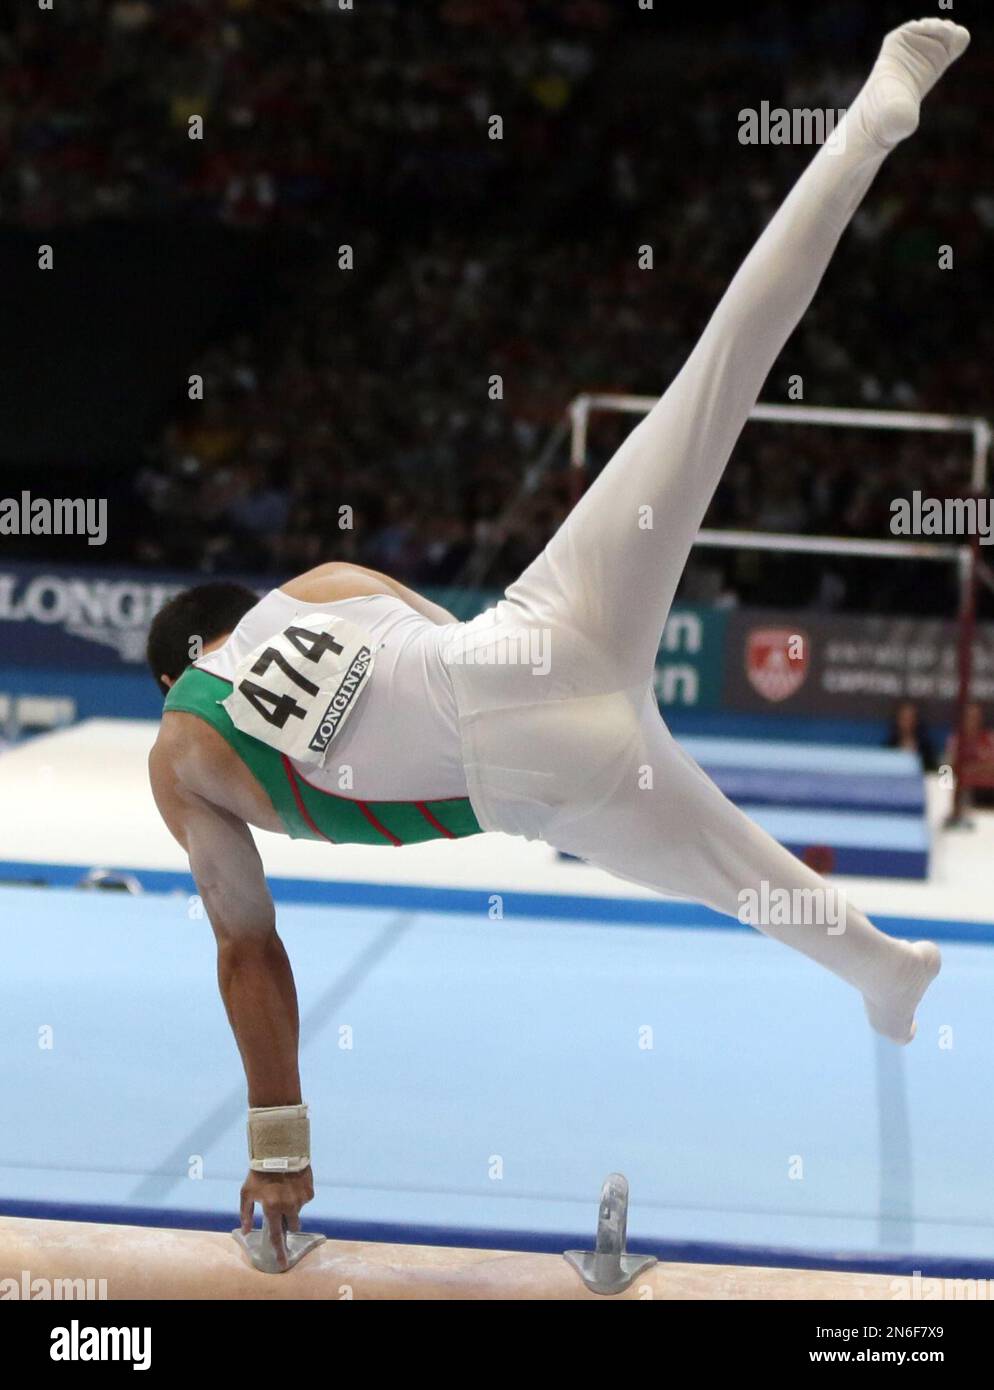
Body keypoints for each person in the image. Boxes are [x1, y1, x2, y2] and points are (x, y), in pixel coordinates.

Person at [146, 20, 969, 1265]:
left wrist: (277, 1142)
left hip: (534, 771)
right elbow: (440, 664)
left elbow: (248, 947)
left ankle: (877, 972)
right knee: (716, 378)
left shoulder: (178, 749)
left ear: (178, 666)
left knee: (723, 870)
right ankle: (873, 114)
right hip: (540, 632)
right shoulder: (318, 579)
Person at [887, 699, 937, 771]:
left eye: (911, 718)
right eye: (904, 719)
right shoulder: (889, 746)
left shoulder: (926, 748)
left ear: (916, 721)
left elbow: (932, 772)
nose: (907, 723)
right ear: (897, 720)